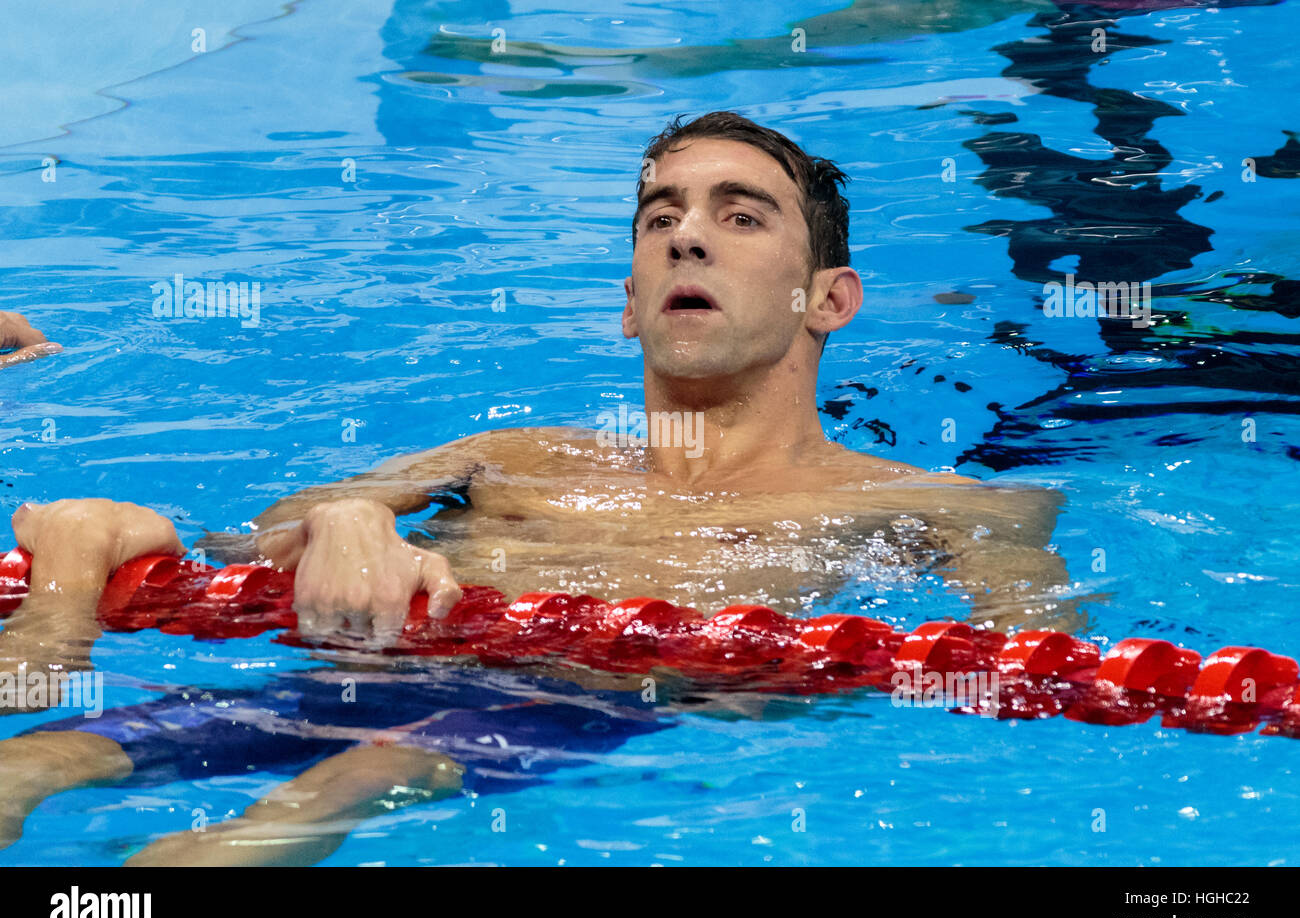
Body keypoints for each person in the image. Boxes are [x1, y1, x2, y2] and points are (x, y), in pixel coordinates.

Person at [0, 112, 1086, 864]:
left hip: (582, 709)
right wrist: (350, 514)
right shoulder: (514, 454)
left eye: (740, 215)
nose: (687, 233)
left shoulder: (955, 506)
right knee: (30, 758)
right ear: (628, 300)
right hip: (355, 680)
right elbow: (270, 531)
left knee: (337, 789)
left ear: (829, 297)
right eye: (660, 217)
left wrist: (788, 674)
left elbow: (1044, 688)